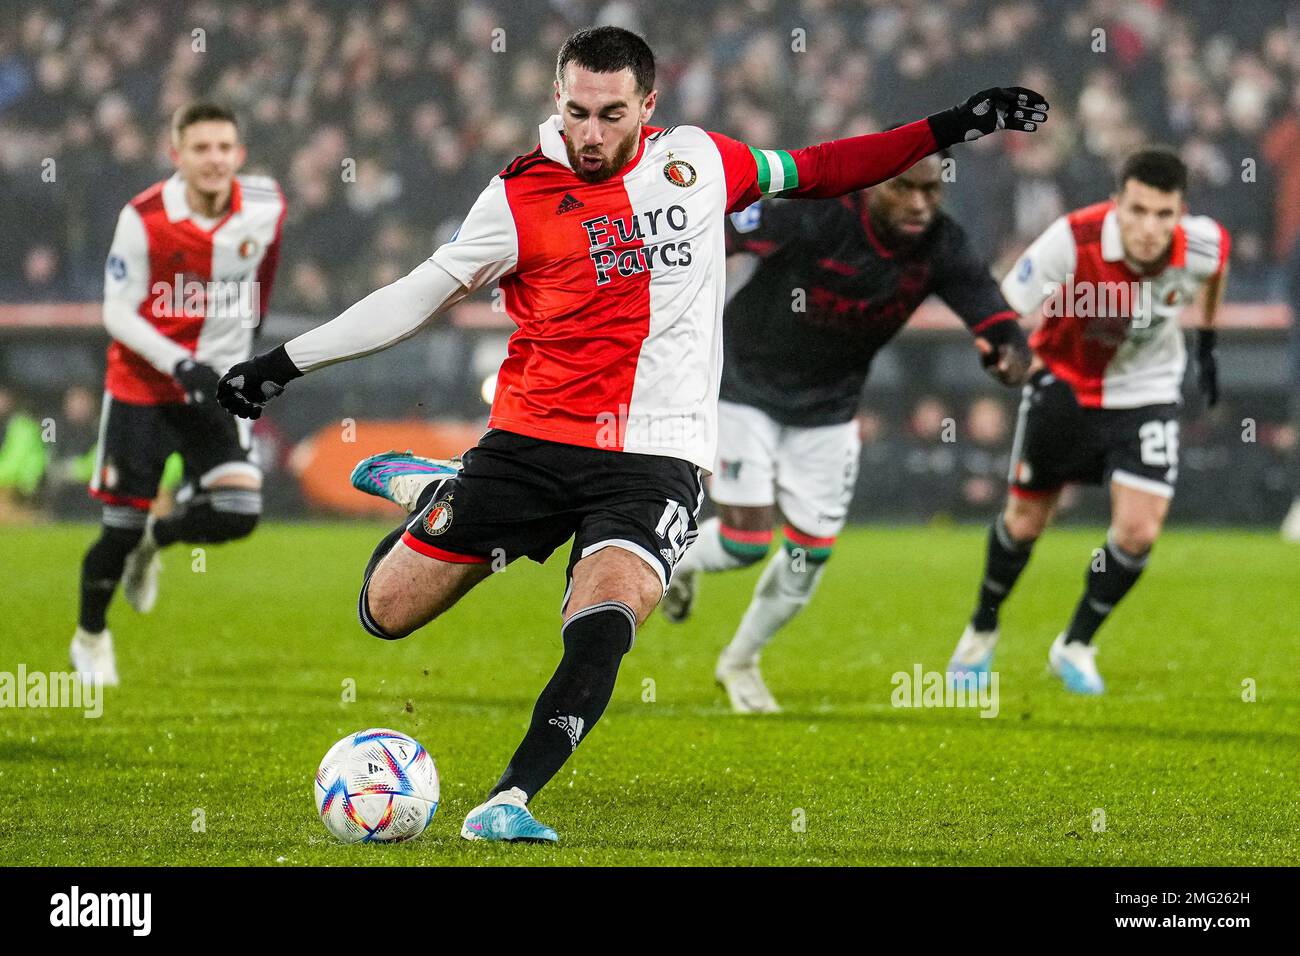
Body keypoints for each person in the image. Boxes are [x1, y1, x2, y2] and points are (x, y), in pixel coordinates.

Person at [217, 26, 1047, 842]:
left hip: (657, 454)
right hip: (531, 440)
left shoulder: (702, 162)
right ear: (557, 99)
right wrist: (284, 362)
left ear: (648, 105)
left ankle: (509, 798)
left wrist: (955, 124)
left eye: (611, 114)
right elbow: (413, 297)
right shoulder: (517, 196)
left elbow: (826, 168)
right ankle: (442, 491)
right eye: (576, 111)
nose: (590, 133)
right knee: (384, 614)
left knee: (610, 607)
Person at [659, 153, 1032, 713]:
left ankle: (740, 660)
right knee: (745, 543)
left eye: (931, 191)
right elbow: (720, 230)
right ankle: (683, 561)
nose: (919, 204)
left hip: (831, 409)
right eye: (904, 188)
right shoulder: (819, 214)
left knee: (810, 556)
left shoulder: (941, 245)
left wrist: (1009, 353)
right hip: (743, 384)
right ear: (872, 180)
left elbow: (994, 314)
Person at [947, 148, 1229, 694]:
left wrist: (1208, 342)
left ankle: (1075, 644)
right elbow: (1004, 307)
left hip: (1146, 389)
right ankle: (981, 630)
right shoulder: (1070, 240)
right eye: (1138, 211)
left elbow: (1216, 271)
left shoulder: (1203, 243)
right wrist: (1005, 356)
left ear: (1180, 212)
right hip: (1065, 385)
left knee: (1139, 531)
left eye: (1163, 214)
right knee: (1026, 523)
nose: (1150, 228)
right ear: (1116, 203)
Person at [73, 102, 285, 686]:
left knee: (240, 512)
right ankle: (90, 635)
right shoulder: (143, 217)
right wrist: (178, 361)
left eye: (224, 148)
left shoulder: (267, 206)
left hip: (213, 388)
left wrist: (244, 346)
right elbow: (116, 311)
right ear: (177, 156)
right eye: (201, 148)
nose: (214, 160)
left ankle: (156, 540)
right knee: (114, 528)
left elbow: (264, 277)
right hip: (142, 388)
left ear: (239, 155)